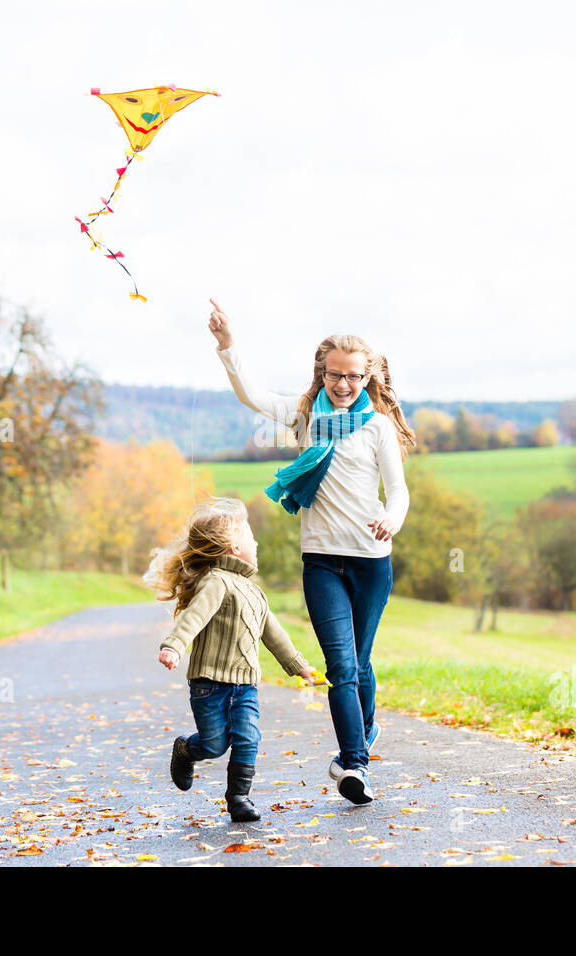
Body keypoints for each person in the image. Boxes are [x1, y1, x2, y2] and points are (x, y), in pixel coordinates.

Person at [206, 298, 416, 805]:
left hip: (371, 563)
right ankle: (356, 766)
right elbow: (251, 395)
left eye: (355, 378)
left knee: (360, 663)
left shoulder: (377, 428)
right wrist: (228, 345)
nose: (344, 385)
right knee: (341, 666)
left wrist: (392, 518)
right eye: (335, 375)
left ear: (367, 379)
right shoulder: (304, 418)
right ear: (322, 372)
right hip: (321, 561)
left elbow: (400, 490)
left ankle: (361, 736)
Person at [145, 495, 315, 822]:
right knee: (214, 744)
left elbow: (275, 635)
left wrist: (299, 666)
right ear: (234, 548)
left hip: (246, 686)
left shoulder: (255, 592)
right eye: (250, 536)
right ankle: (186, 750)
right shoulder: (216, 582)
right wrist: (174, 646)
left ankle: (239, 798)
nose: (256, 541)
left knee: (248, 737)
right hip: (210, 684)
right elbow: (193, 617)